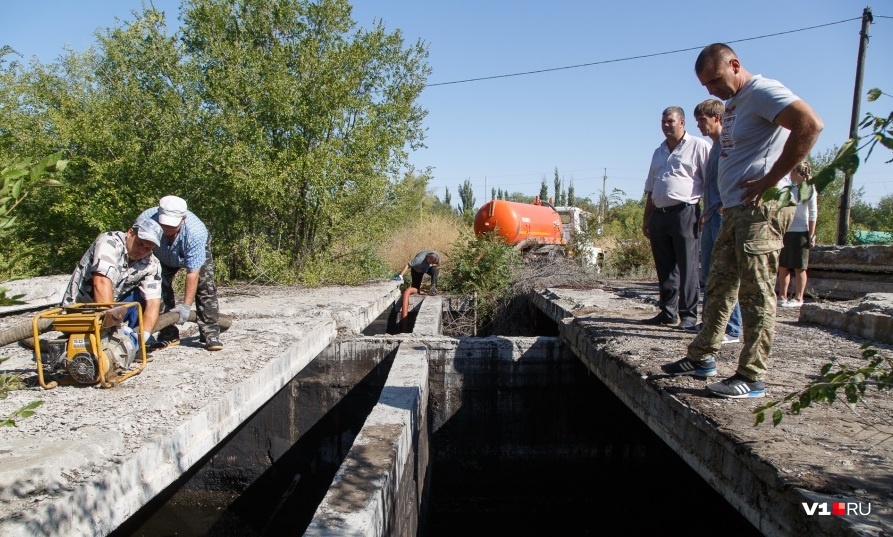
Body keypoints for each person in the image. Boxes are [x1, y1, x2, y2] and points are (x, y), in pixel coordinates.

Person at [662, 43, 823, 398]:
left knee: (756, 293)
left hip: (761, 212)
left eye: (716, 81)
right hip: (735, 211)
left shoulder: (763, 91)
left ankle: (751, 376)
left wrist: (771, 179)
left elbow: (810, 124)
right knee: (718, 286)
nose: (712, 91)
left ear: (735, 65)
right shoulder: (735, 104)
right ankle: (702, 357)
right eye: (706, 86)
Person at [641, 106, 709, 330]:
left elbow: (710, 181)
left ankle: (688, 315)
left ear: (682, 122)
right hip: (659, 214)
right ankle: (667, 312)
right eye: (663, 121)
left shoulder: (697, 146)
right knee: (665, 266)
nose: (666, 125)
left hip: (685, 212)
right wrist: (647, 218)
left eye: (670, 121)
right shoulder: (658, 151)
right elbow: (651, 188)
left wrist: (707, 211)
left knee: (688, 265)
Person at [138, 195, 223, 351]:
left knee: (205, 285)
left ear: (183, 219)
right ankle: (167, 334)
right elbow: (138, 250)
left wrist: (185, 306)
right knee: (156, 288)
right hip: (160, 256)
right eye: (163, 224)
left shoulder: (196, 232)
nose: (166, 230)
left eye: (172, 226)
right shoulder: (144, 221)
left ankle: (210, 333)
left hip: (190, 252)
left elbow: (192, 273)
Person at [62, 217, 164, 345]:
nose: (142, 250)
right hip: (79, 310)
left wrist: (143, 337)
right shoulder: (109, 243)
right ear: (130, 232)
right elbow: (101, 282)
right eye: (139, 243)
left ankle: (132, 344)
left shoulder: (152, 263)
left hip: (111, 305)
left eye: (148, 248)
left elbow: (153, 303)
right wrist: (113, 328)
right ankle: (108, 340)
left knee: (143, 298)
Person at [692, 98, 743, 345]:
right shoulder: (714, 147)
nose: (699, 125)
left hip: (722, 214)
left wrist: (722, 206)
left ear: (717, 118)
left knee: (725, 273)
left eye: (702, 120)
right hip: (711, 213)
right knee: (710, 273)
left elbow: (736, 176)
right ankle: (711, 323)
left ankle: (731, 327)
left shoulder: (728, 144)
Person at [777, 160, 818, 308]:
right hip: (786, 231)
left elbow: (813, 214)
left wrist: (811, 235)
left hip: (801, 231)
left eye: (792, 171)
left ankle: (799, 298)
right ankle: (782, 295)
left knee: (800, 266)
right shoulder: (789, 188)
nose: (790, 173)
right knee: (783, 265)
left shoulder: (809, 189)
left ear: (798, 173)